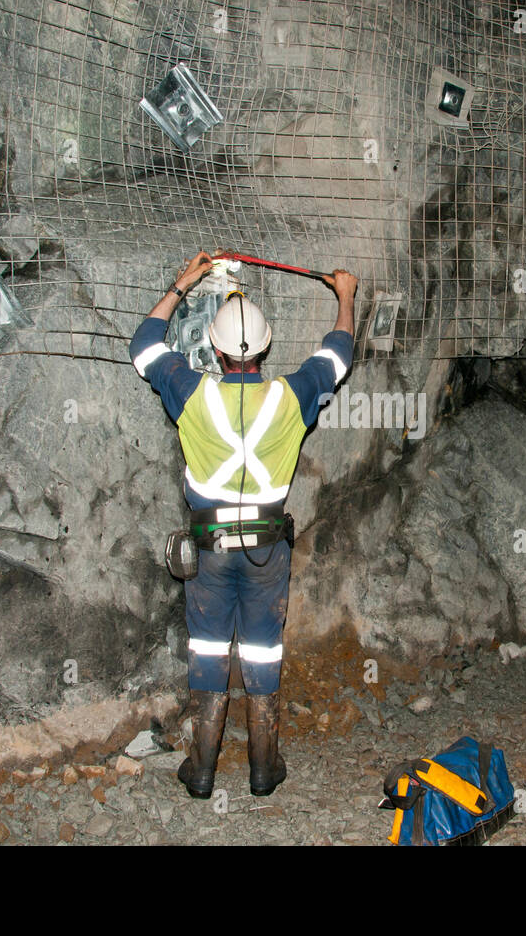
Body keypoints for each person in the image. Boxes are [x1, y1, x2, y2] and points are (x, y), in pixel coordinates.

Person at [130, 250, 356, 798]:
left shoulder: (192, 391)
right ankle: (263, 768)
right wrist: (345, 295)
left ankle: (202, 770)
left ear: (215, 348)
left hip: (207, 551)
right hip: (266, 551)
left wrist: (182, 284)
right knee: (262, 649)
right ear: (265, 347)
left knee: (208, 647)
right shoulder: (288, 396)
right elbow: (339, 354)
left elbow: (144, 347)